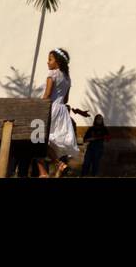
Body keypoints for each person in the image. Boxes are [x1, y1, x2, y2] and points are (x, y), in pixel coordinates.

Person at [37, 48, 80, 178]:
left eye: (50, 59)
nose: (47, 62)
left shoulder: (52, 74)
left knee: (37, 140)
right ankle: (58, 170)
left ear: (58, 61)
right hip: (62, 111)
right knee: (52, 141)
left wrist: (37, 107)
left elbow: (47, 95)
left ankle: (46, 172)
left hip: (50, 109)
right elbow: (66, 99)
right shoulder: (67, 78)